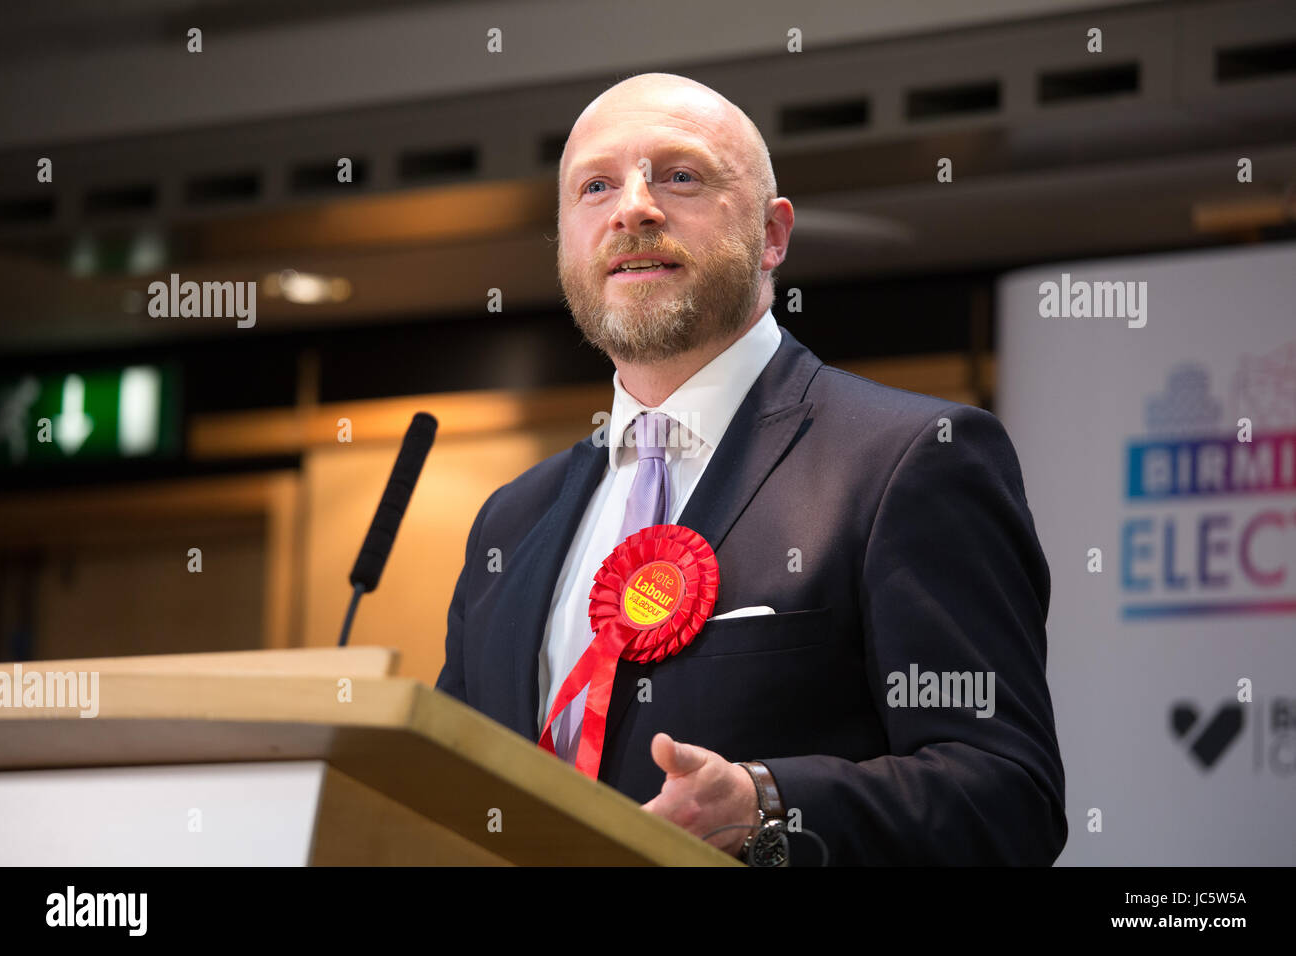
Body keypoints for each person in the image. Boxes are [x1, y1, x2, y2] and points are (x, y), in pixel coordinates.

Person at [436, 72, 1066, 865]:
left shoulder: (912, 460)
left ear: (772, 235)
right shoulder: (509, 522)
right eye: (596, 186)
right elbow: (440, 796)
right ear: (565, 243)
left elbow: (1009, 797)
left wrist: (767, 803)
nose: (633, 208)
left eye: (681, 176)